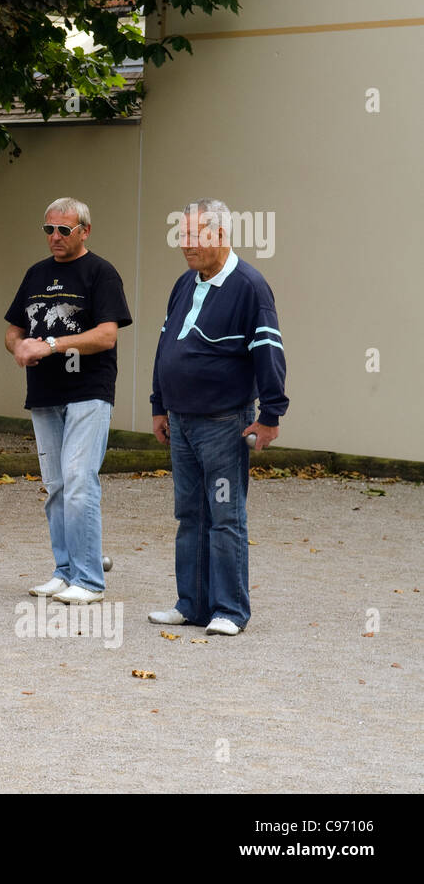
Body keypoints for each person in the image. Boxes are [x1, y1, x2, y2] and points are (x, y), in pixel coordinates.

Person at [149, 199, 288, 636]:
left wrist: (271, 414)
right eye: (183, 235)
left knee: (225, 515)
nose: (185, 244)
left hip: (225, 423)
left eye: (195, 236)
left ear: (221, 235)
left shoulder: (250, 286)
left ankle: (230, 610)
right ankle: (191, 605)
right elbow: (165, 345)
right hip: (181, 420)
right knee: (190, 514)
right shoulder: (184, 283)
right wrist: (158, 404)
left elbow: (268, 349)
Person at [4, 197, 131, 603]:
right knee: (57, 486)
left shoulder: (101, 273)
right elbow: (13, 329)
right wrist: (20, 346)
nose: (55, 237)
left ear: (85, 231)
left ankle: (90, 580)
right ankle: (65, 570)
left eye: (64, 230)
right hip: (44, 394)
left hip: (88, 391)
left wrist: (52, 344)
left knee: (79, 482)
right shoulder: (36, 273)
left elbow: (106, 335)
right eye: (48, 230)